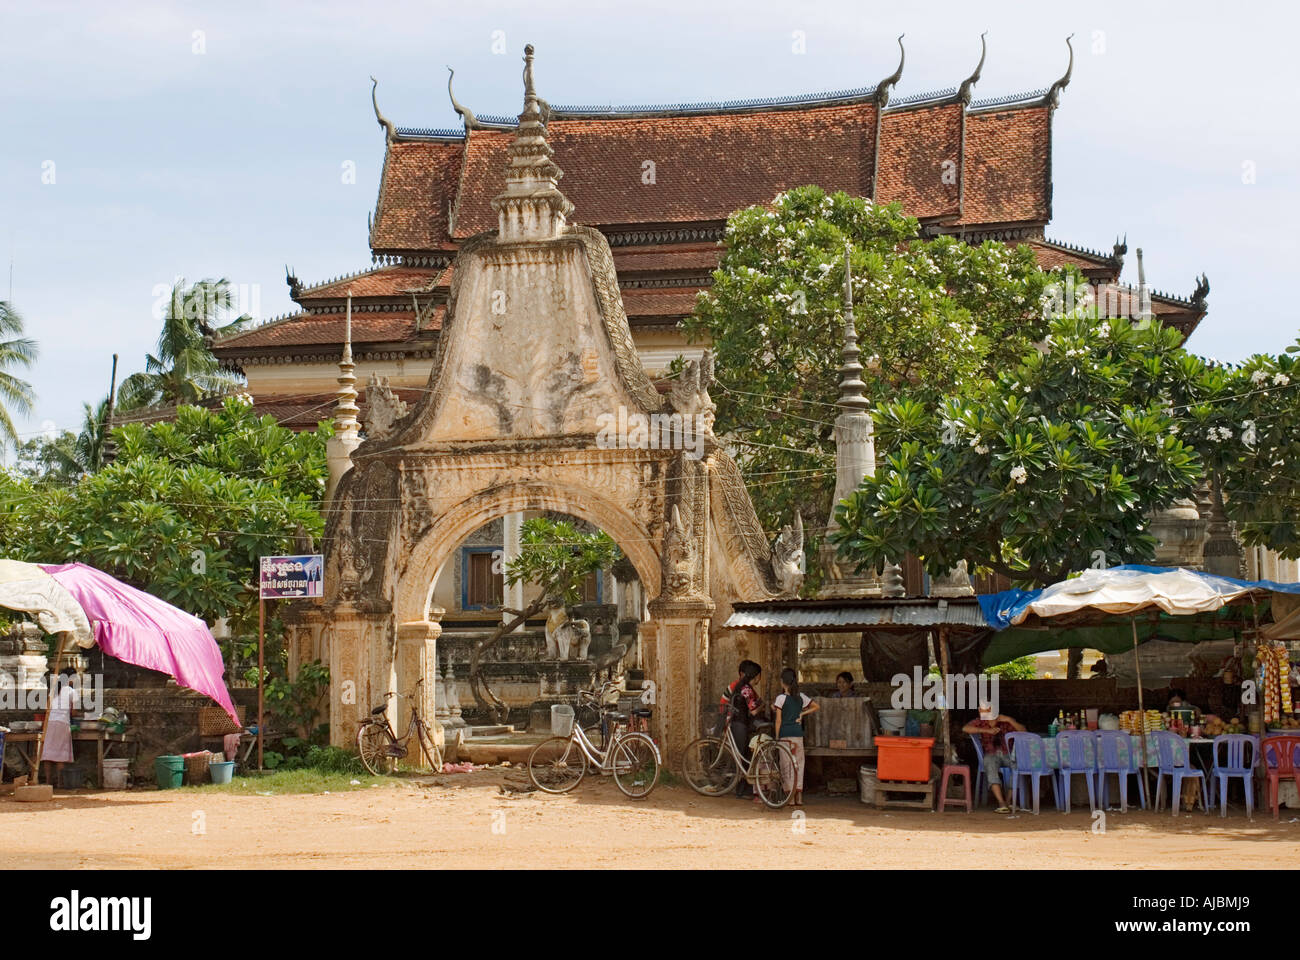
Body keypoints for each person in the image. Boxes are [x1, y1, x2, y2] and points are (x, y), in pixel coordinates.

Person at [962, 701, 1024, 814]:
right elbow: (965, 728)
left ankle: (1008, 801)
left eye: (984, 710)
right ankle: (1001, 803)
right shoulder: (981, 721)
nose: (980, 711)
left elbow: (1024, 731)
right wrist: (986, 731)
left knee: (1018, 765)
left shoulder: (1005, 722)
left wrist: (1010, 720)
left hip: (1007, 754)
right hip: (991, 754)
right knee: (990, 766)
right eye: (980, 709)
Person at [773, 667, 818, 807]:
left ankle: (790, 798)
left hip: (785, 736)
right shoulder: (801, 697)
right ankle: (799, 798)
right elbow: (816, 706)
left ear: (782, 682)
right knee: (799, 765)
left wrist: (776, 737)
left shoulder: (780, 699)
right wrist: (801, 714)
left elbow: (778, 721)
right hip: (798, 735)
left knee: (787, 766)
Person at [719, 660, 764, 799]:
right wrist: (763, 703)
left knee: (741, 756)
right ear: (755, 676)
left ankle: (741, 788)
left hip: (736, 724)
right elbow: (754, 710)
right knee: (742, 756)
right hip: (740, 724)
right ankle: (742, 789)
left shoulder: (740, 686)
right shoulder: (746, 689)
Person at [40, 667, 80, 786]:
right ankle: (60, 782)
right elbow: (74, 713)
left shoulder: (53, 690)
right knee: (60, 753)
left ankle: (48, 782)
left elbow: (47, 708)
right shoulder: (72, 692)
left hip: (50, 722)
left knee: (48, 752)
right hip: (63, 723)